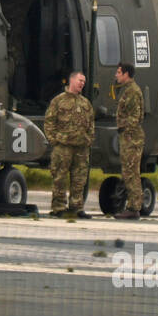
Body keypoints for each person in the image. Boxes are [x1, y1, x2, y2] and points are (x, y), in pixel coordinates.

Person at [44, 70, 95, 219]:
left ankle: (77, 207)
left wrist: (89, 139)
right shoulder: (58, 101)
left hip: (81, 148)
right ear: (71, 80)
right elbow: (49, 122)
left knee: (79, 179)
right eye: (80, 81)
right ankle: (58, 207)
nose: (82, 84)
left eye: (84, 82)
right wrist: (54, 140)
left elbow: (91, 123)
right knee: (59, 177)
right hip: (63, 147)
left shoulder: (85, 103)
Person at [114, 62, 145, 221]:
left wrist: (124, 130)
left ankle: (133, 207)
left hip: (131, 137)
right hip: (128, 136)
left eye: (119, 72)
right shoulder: (128, 90)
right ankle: (132, 206)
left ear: (126, 74)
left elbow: (135, 117)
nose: (116, 75)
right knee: (129, 171)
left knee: (131, 172)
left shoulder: (132, 92)